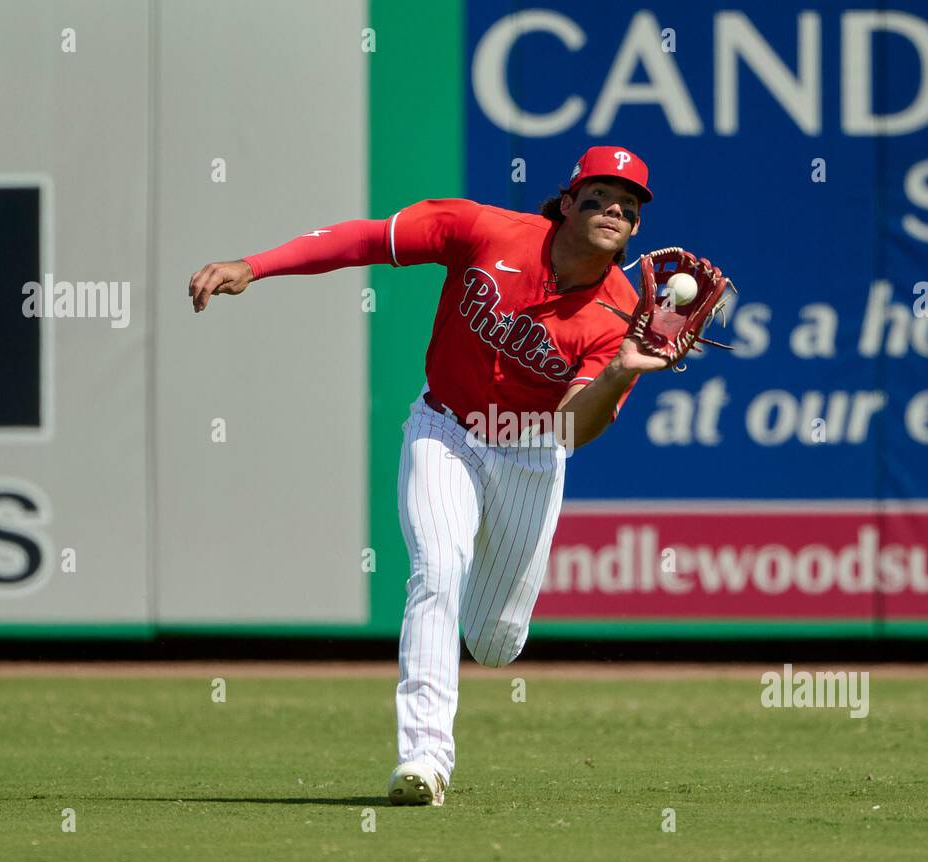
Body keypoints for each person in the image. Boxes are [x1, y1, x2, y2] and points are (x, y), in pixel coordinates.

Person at [189, 146, 674, 807]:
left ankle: (484, 649)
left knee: (498, 644)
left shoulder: (619, 316)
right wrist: (255, 265)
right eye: (597, 196)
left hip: (531, 451)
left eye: (628, 205)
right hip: (445, 427)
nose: (613, 209)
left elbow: (568, 431)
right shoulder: (485, 231)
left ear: (636, 228)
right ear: (566, 204)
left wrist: (620, 370)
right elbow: (367, 239)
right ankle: (423, 757)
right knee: (437, 569)